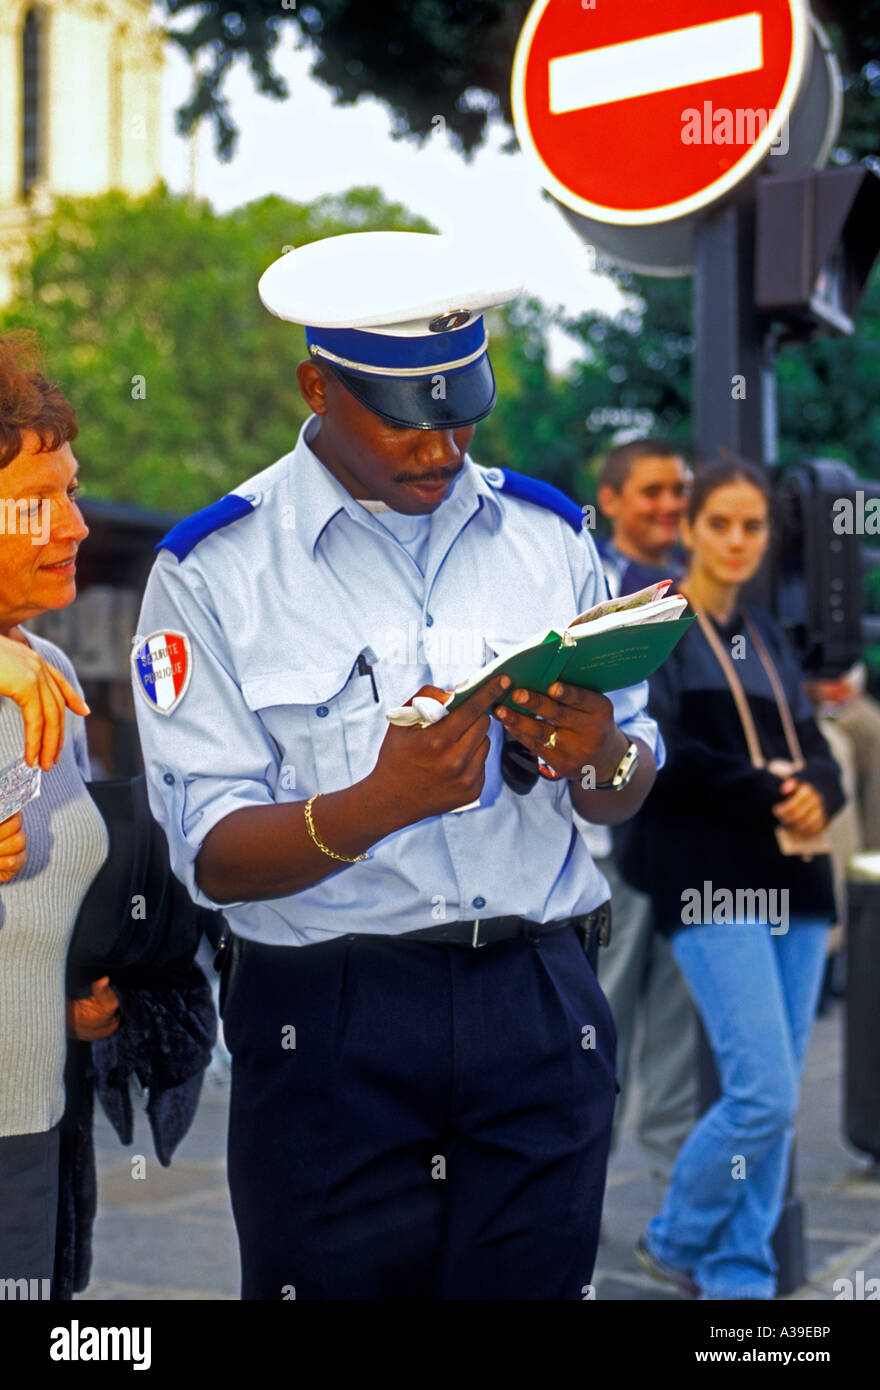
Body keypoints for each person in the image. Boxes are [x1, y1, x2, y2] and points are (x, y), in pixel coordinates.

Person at [131, 230, 665, 1301]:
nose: (441, 447)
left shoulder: (550, 536)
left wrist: (593, 751)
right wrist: (375, 805)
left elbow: (630, 777)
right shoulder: (214, 570)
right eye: (407, 419)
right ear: (315, 385)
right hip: (331, 1019)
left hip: (537, 996)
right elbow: (212, 859)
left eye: (461, 411)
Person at [630, 456, 844, 1300]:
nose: (737, 540)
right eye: (719, 522)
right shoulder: (657, 627)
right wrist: (772, 792)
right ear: (689, 530)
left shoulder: (770, 636)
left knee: (779, 1104)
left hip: (796, 876)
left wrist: (817, 789)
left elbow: (817, 748)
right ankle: (675, 1236)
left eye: (753, 525)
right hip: (714, 878)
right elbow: (666, 750)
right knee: (758, 1092)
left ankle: (738, 1287)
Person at [0, 333, 120, 1296]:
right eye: (40, 502)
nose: (74, 526)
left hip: (31, 1133)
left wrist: (71, 996)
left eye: (73, 492)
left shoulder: (52, 678)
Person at [583, 440, 698, 1183]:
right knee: (601, 1028)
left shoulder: (704, 586)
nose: (669, 506)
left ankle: (674, 1226)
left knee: (682, 1037)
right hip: (612, 842)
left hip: (691, 843)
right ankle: (573, 1208)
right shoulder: (585, 576)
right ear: (612, 499)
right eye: (652, 491)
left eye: (679, 492)